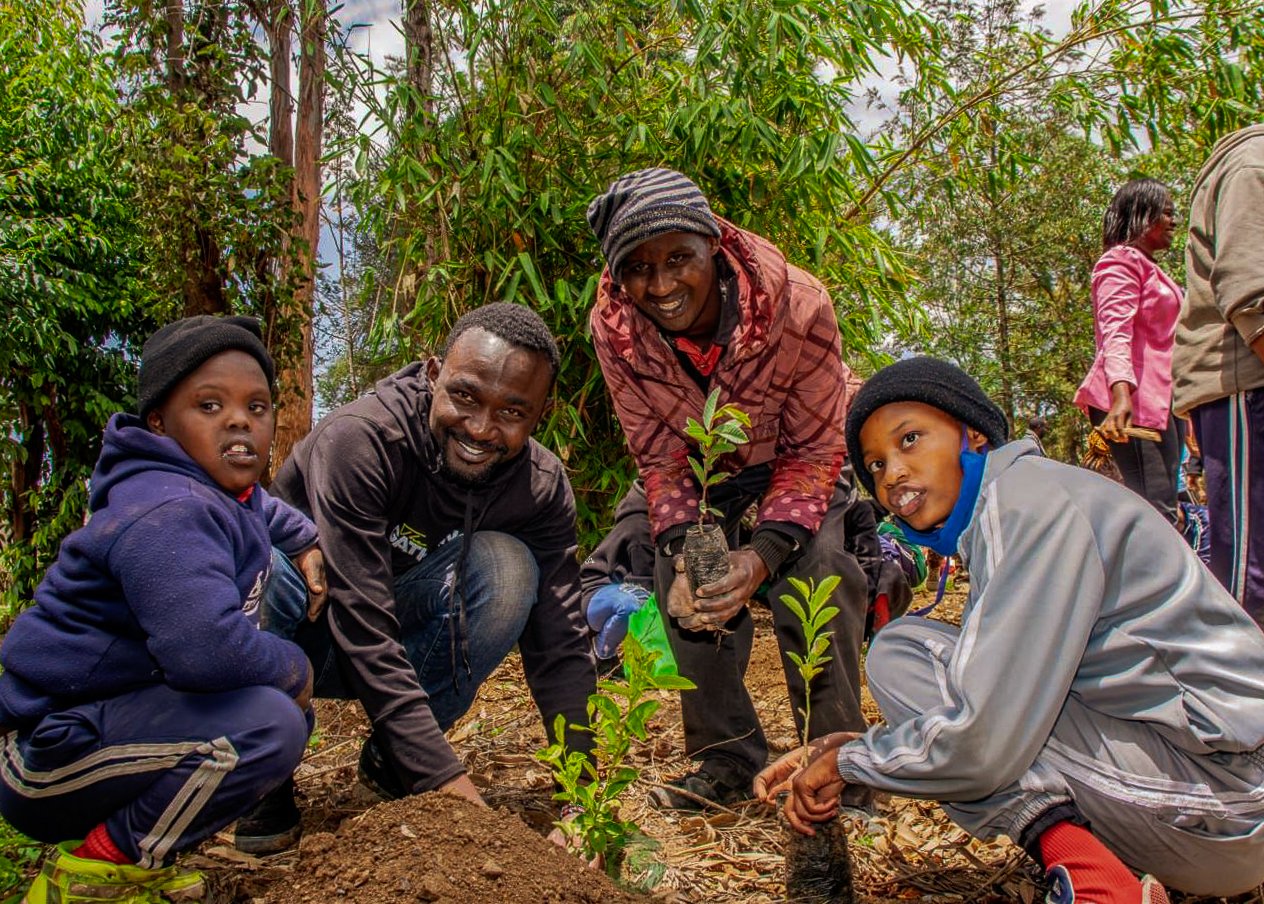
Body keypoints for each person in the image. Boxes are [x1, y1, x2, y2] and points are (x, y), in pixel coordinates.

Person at [756, 357, 1264, 903]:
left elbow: (981, 742)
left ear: (972, 434)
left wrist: (852, 761)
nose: (893, 474)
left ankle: (1095, 885)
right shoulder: (1016, 507)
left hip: (1229, 797)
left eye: (910, 439)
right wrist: (867, 748)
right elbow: (992, 705)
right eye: (875, 465)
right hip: (1196, 792)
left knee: (915, 673)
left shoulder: (1025, 503)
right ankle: (1094, 869)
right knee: (902, 653)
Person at [235, 302, 597, 853]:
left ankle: (393, 755)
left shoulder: (540, 487)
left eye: (512, 413)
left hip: (406, 631)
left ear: (539, 416)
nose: (481, 429)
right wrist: (444, 778)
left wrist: (585, 797)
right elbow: (362, 622)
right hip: (309, 628)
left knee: (510, 570)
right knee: (266, 566)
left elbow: (561, 644)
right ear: (433, 374)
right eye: (466, 396)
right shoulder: (362, 439)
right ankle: (264, 771)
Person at [0, 316, 323, 901]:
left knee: (281, 719)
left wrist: (305, 541)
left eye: (257, 406)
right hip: (46, 755)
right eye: (208, 405)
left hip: (106, 728)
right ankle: (92, 874)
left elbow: (264, 513)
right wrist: (295, 667)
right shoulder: (168, 509)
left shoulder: (223, 491)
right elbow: (205, 650)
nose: (239, 420)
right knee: (269, 723)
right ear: (159, 423)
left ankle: (136, 855)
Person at [585, 168, 870, 810]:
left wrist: (764, 555)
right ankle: (726, 761)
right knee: (689, 583)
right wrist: (691, 549)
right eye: (637, 267)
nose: (659, 285)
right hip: (702, 470)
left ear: (713, 244)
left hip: (794, 459)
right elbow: (657, 457)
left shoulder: (799, 304)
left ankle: (834, 762)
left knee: (820, 571)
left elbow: (816, 450)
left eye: (678, 258)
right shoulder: (614, 329)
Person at [1172, 124, 1264, 627]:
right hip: (1245, 384)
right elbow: (1250, 294)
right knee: (1250, 571)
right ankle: (1238, 695)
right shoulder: (1254, 164)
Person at [1074, 178, 1185, 526]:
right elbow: (1115, 331)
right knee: (1157, 511)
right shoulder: (1119, 263)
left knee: (1166, 506)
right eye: (1166, 213)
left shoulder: (1152, 269)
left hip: (1163, 403)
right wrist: (1121, 394)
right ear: (1142, 216)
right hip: (1132, 401)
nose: (1174, 221)